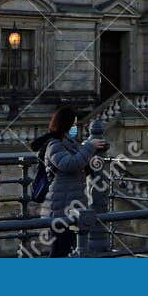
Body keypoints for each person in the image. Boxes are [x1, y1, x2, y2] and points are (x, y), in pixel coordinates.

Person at [30, 105, 106, 257]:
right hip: (60, 207)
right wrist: (89, 147)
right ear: (66, 124)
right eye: (74, 123)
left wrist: (92, 161)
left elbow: (79, 167)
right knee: (59, 251)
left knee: (65, 250)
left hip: (71, 205)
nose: (75, 127)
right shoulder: (54, 145)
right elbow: (70, 165)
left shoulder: (68, 143)